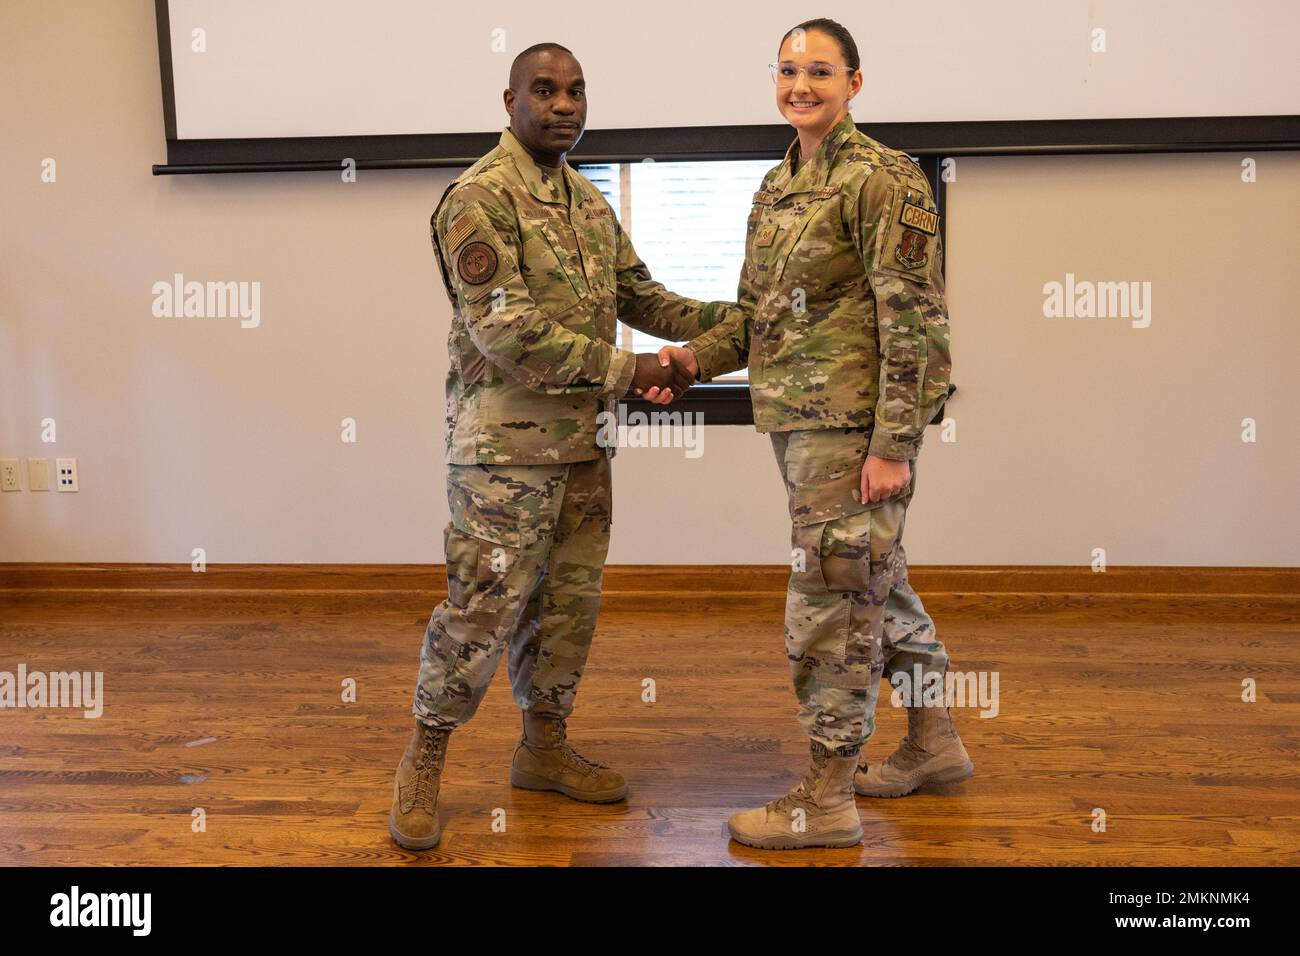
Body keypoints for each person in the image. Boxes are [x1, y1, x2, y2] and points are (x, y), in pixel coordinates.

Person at [389, 42, 727, 850]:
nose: (564, 104)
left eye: (576, 91)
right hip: (501, 456)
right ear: (509, 101)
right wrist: (630, 367)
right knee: (479, 612)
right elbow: (506, 332)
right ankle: (422, 762)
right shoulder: (477, 199)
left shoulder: (585, 201)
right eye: (545, 90)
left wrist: (736, 324)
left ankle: (543, 747)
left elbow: (641, 295)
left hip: (581, 449)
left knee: (566, 611)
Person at [655, 18, 972, 849]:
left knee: (831, 601)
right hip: (797, 424)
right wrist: (688, 360)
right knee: (877, 578)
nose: (801, 86)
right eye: (789, 70)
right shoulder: (777, 184)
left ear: (855, 83)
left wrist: (893, 444)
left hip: (851, 430)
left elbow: (917, 323)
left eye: (820, 72)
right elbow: (758, 315)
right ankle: (935, 744)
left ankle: (827, 798)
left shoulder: (884, 180)